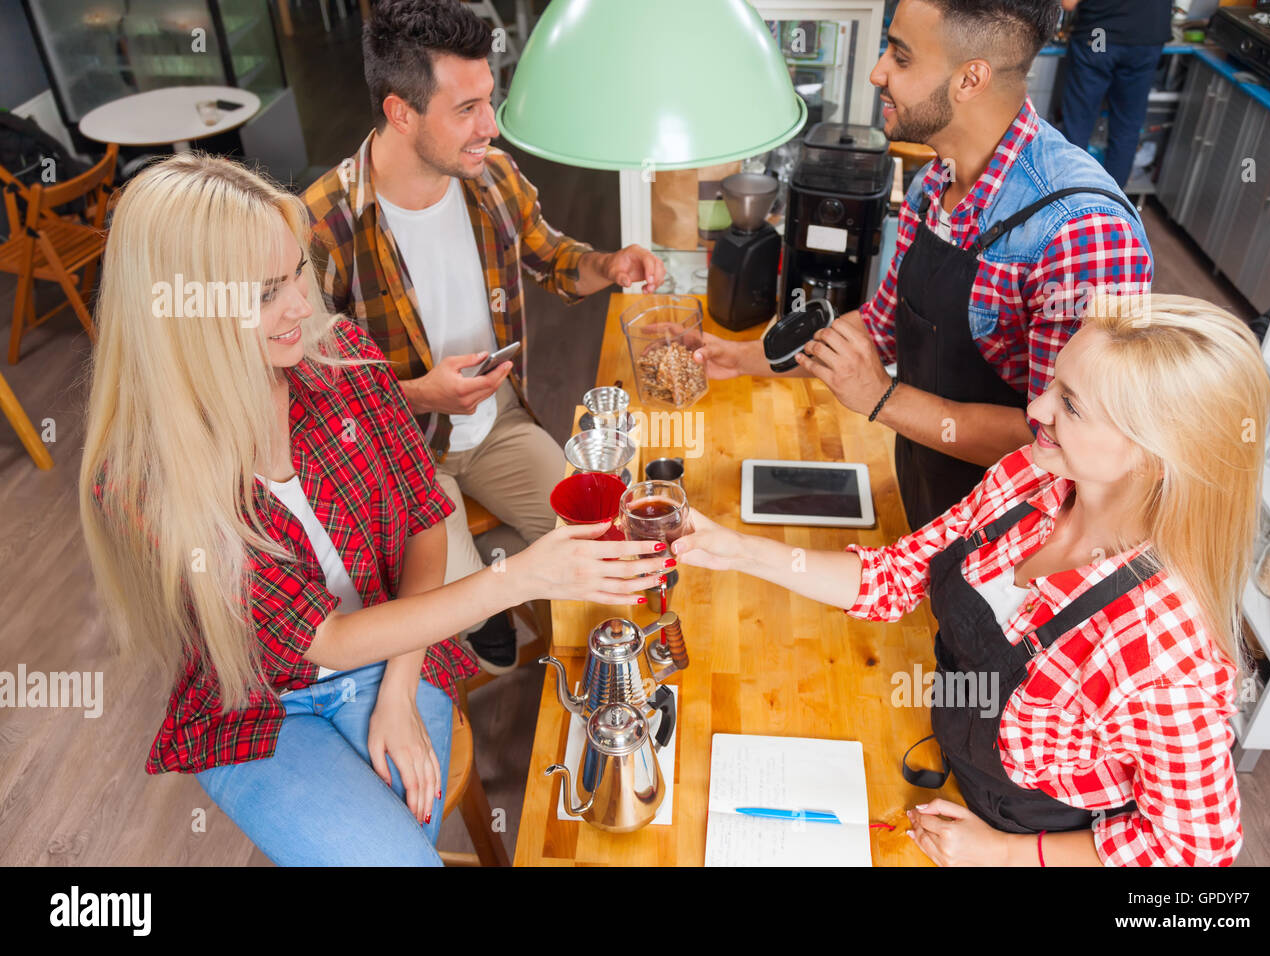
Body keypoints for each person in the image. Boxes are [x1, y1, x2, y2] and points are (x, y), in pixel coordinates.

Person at [78, 154, 672, 866]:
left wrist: (399, 682)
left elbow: (424, 519)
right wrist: (518, 578)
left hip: (393, 652)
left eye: (297, 272)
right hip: (262, 706)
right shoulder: (148, 482)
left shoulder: (344, 364)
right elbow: (322, 639)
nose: (302, 304)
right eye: (267, 293)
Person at [674, 294, 1261, 866]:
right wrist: (734, 549)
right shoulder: (1031, 477)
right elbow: (901, 575)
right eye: (1055, 384)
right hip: (951, 748)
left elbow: (1193, 849)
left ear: (1156, 456)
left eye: (1072, 406)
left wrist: (1005, 853)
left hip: (1029, 833)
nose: (1037, 411)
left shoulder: (1164, 652)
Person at [303, 0, 665, 672]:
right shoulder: (323, 225)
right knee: (465, 622)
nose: (490, 127)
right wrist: (419, 395)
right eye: (465, 109)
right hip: (404, 454)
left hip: (496, 425)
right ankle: (489, 619)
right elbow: (307, 395)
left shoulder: (490, 177)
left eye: (488, 100)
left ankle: (600, 679)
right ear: (400, 112)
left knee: (598, 540)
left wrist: (609, 266)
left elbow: (554, 259)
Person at [695, 0, 1153, 530]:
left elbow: (1068, 447)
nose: (877, 72)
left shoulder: (1083, 231)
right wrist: (751, 358)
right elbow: (881, 328)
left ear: (970, 79)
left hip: (1012, 545)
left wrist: (882, 398)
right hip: (926, 493)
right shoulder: (934, 182)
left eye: (902, 57)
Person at [1059, 0, 1172, 191]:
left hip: (1101, 35)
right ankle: (1113, 206)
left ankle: (1067, 196)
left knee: (1079, 123)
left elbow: (1068, 4)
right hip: (1146, 38)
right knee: (1127, 127)